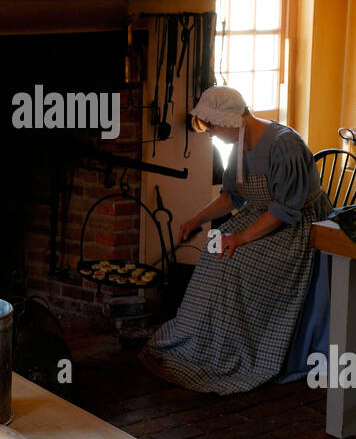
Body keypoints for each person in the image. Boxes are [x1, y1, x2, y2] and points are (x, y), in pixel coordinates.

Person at [138, 85, 332, 394]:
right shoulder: (239, 147)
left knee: (237, 262)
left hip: (298, 226)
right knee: (213, 252)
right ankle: (204, 343)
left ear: (229, 120)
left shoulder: (285, 145)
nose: (212, 135)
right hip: (261, 215)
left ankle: (240, 350)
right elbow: (232, 197)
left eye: (213, 127)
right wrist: (195, 219)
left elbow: (285, 210)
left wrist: (240, 238)